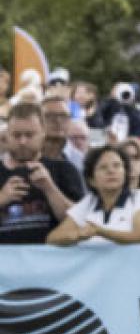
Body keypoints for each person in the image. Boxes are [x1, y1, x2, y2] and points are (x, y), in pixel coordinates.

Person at [1, 102, 83, 244]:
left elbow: (80, 223)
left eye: (29, 135)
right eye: (16, 135)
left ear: (43, 134)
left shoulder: (63, 170)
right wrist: (2, 198)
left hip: (50, 261)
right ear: (6, 135)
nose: (22, 141)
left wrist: (50, 188)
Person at [48, 144, 140, 246]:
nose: (111, 171)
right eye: (103, 167)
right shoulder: (89, 202)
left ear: (125, 173)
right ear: (91, 180)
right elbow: (52, 238)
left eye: (117, 166)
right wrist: (78, 235)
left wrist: (100, 231)